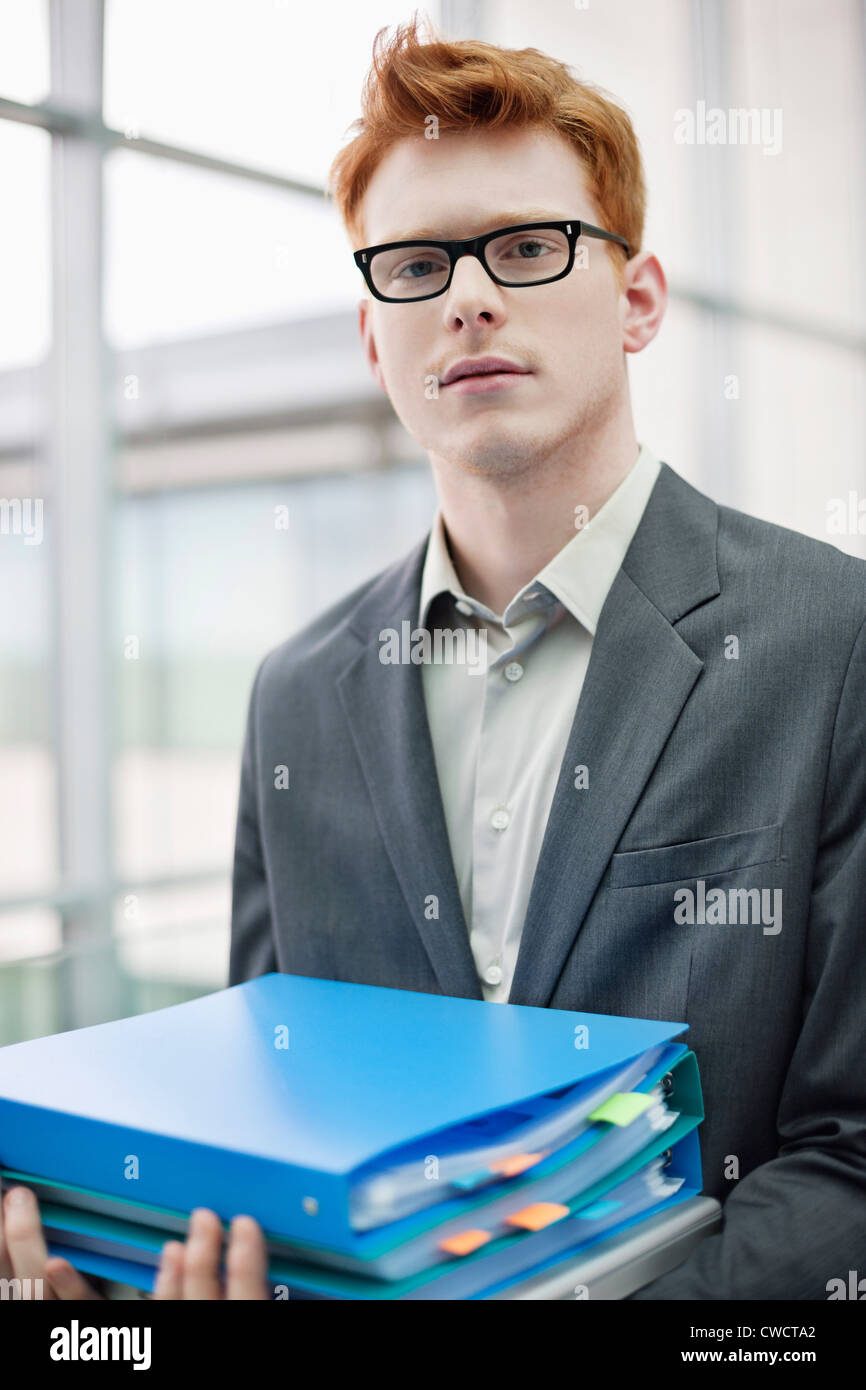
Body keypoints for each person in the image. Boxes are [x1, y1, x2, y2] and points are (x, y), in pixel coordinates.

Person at [5, 17, 865, 1301]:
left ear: (635, 301)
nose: (466, 295)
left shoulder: (827, 642)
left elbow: (849, 1160)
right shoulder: (297, 694)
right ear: (374, 341)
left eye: (524, 248)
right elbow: (264, 1118)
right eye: (414, 265)